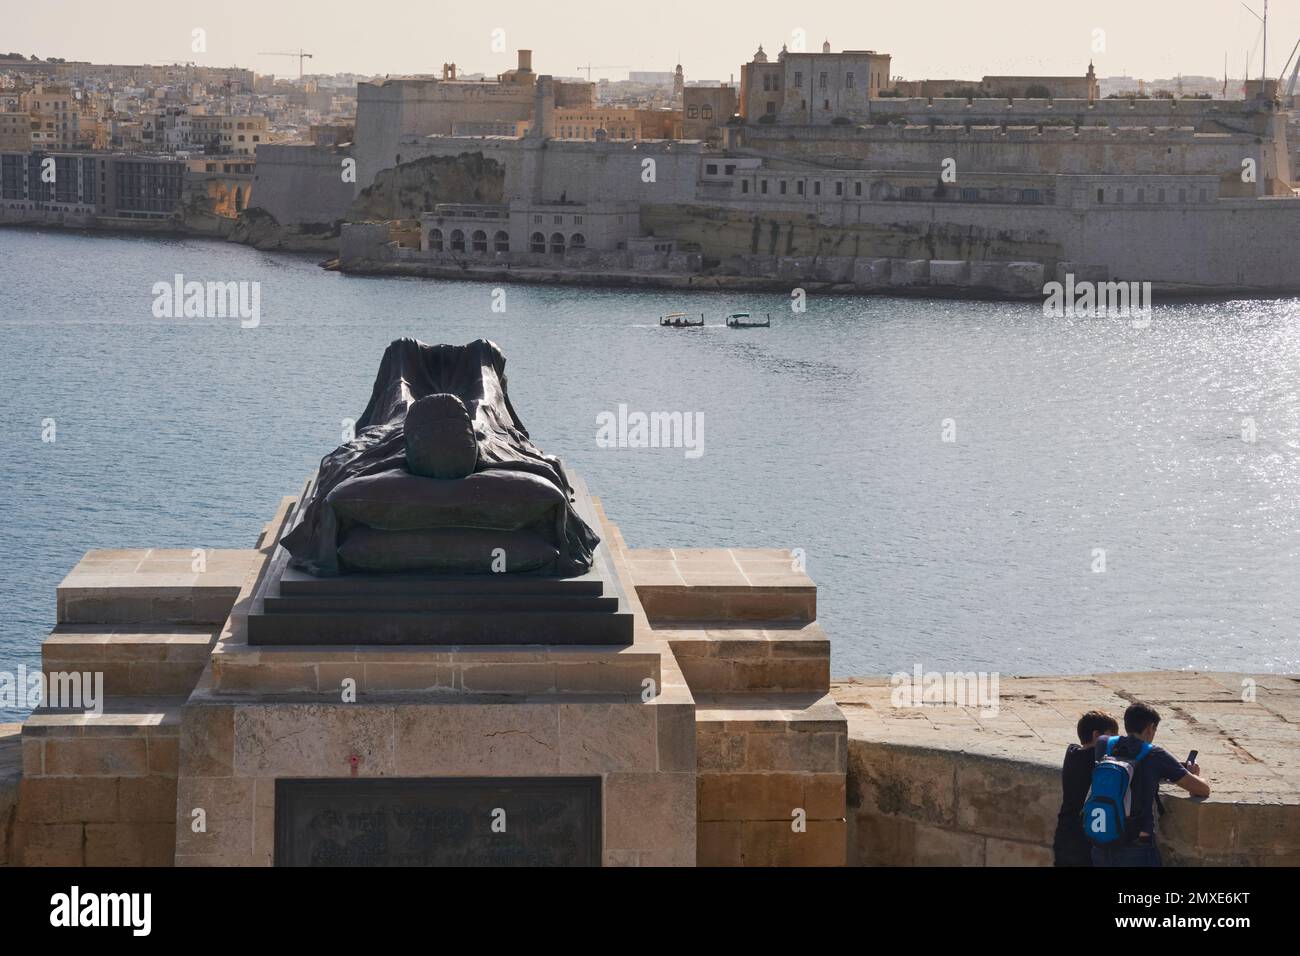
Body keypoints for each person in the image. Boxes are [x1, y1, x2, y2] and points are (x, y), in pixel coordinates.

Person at [1091, 701, 1211, 867]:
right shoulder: (1156, 755)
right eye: (1154, 729)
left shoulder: (1104, 744)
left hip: (1101, 840)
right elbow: (1202, 789)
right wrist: (1193, 774)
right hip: (1138, 843)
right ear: (1150, 727)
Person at [1053, 710, 1119, 866]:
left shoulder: (1072, 753)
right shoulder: (1096, 761)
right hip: (1084, 839)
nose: (1115, 741)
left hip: (1064, 833)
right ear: (1097, 735)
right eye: (1112, 736)